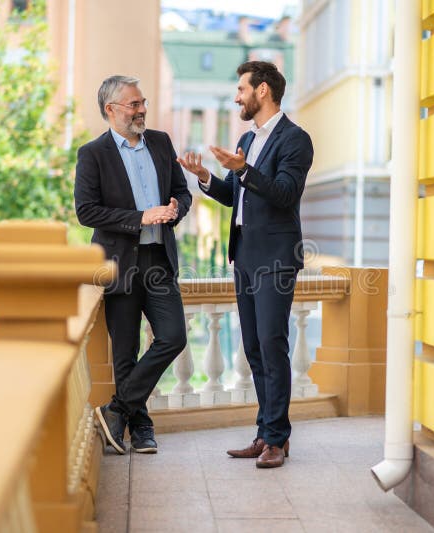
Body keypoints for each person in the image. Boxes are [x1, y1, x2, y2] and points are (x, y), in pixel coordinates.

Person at [177, 61, 313, 468]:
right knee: (253, 348)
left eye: (241, 89)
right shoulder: (247, 139)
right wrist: (205, 177)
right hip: (245, 256)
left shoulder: (295, 139)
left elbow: (285, 193)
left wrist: (244, 170)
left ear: (263, 90)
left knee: (272, 345)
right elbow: (236, 197)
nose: (237, 97)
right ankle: (265, 433)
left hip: (276, 258)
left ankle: (277, 439)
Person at [75, 75, 192, 455]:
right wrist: (140, 218)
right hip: (118, 263)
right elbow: (86, 211)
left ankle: (117, 410)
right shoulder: (92, 154)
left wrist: (175, 209)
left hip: (159, 259)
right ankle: (140, 428)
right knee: (124, 351)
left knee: (173, 336)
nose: (142, 110)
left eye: (143, 103)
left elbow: (182, 192)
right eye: (134, 104)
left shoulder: (160, 142)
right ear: (111, 109)